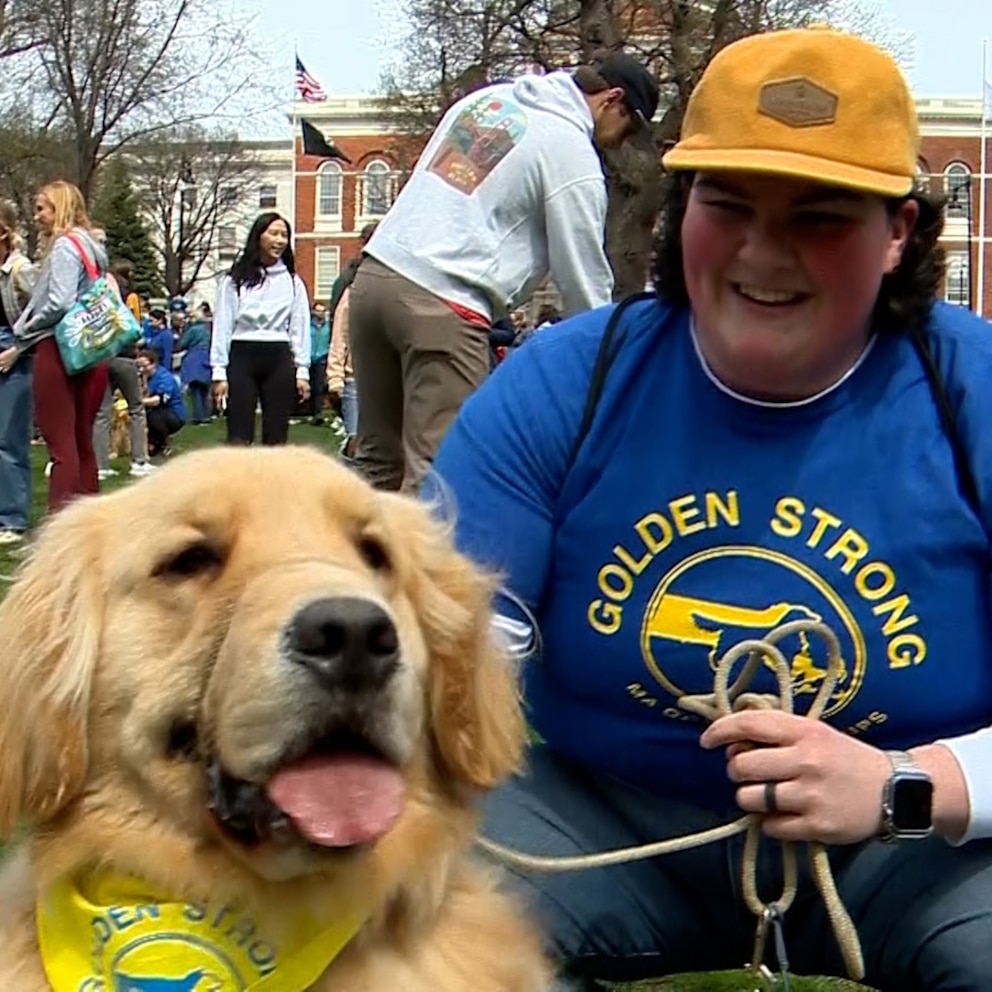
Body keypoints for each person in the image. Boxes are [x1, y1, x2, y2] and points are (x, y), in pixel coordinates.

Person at [431, 27, 992, 992]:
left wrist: (902, 786)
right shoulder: (566, 382)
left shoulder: (973, 387)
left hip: (910, 843)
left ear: (898, 232)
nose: (763, 253)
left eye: (820, 216)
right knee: (404, 912)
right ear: (682, 208)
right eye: (726, 204)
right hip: (600, 816)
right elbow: (456, 648)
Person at [350, 53, 658, 494]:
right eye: (626, 128)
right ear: (612, 100)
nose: (618, 142)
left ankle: (349, 541)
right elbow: (582, 279)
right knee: (440, 474)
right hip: (444, 303)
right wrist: (608, 365)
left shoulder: (488, 101)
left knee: (378, 464)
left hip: (375, 278)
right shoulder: (570, 150)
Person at [0, 181, 109, 512]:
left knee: (61, 447)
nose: (36, 217)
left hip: (59, 348)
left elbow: (60, 302)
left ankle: (59, 523)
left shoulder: (64, 246)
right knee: (81, 442)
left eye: (41, 209)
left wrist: (25, 328)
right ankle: (88, 522)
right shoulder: (91, 247)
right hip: (92, 349)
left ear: (59, 208)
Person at [210, 212, 311, 445]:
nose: (279, 240)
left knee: (277, 433)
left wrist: (302, 371)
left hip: (278, 355)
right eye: (273, 233)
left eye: (284, 235)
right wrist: (219, 372)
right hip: (242, 354)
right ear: (259, 237)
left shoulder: (293, 282)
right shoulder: (234, 280)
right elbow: (223, 325)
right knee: (239, 433)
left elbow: (299, 327)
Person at [93, 259, 154, 480]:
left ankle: (100, 465)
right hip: (125, 356)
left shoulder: (100, 294)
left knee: (103, 413)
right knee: (136, 408)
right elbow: (134, 327)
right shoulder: (130, 297)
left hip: (103, 356)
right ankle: (139, 461)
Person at [0, 202, 37, 544]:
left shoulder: (20, 270)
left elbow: (43, 315)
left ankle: (12, 519)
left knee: (9, 439)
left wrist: (17, 349)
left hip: (15, 353)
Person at [326, 285, 357, 457]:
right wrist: (335, 378)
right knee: (355, 444)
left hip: (391, 382)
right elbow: (339, 338)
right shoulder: (353, 292)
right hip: (355, 380)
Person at [137, 346, 185, 456]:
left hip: (173, 414)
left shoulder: (164, 377)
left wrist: (140, 401)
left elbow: (159, 400)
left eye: (144, 366)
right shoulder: (145, 377)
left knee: (150, 415)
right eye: (139, 366)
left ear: (153, 364)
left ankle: (163, 442)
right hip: (158, 410)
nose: (142, 369)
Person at [179, 302, 212, 425]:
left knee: (195, 390)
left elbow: (183, 343)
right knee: (204, 390)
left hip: (194, 359)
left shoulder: (193, 330)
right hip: (206, 358)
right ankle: (207, 415)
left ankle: (198, 416)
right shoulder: (207, 329)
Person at [308, 300, 330, 424]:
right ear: (313, 312)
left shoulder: (329, 326)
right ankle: (307, 410)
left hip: (322, 358)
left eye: (322, 311)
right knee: (309, 386)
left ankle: (318, 413)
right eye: (318, 311)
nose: (320, 313)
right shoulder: (308, 325)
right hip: (309, 358)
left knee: (319, 387)